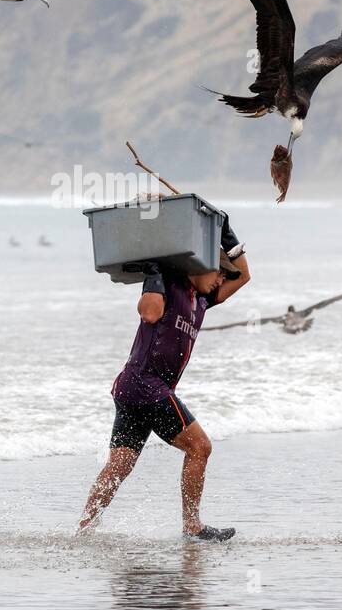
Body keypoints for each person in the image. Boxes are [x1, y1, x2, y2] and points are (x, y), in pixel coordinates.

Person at [78, 215, 250, 541]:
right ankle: (192, 527)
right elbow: (149, 313)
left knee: (118, 467)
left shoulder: (201, 300)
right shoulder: (171, 285)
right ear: (197, 265)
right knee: (200, 447)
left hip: (132, 386)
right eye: (217, 273)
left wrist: (226, 233)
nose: (219, 281)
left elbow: (243, 277)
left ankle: (83, 531)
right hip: (146, 384)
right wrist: (153, 274)